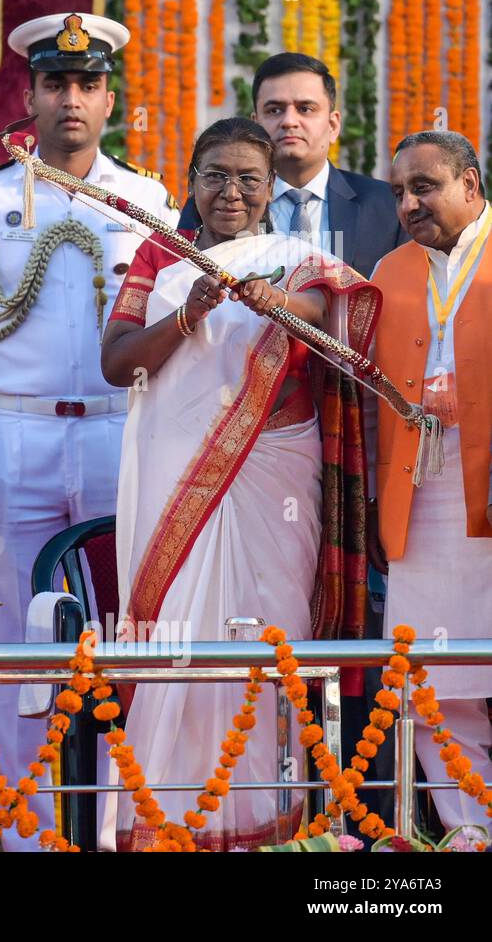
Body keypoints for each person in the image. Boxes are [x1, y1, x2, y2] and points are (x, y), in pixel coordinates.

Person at [0, 12, 177, 850]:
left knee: (125, 644)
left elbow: (171, 330)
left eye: (88, 83)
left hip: (120, 435)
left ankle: (114, 833)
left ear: (109, 98)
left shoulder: (145, 200)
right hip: (18, 440)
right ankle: (29, 838)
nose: (71, 98)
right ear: (30, 94)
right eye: (55, 83)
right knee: (19, 651)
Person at [102, 118, 378, 850]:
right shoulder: (160, 255)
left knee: (270, 635)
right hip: (178, 476)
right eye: (215, 175)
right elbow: (117, 361)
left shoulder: (293, 257)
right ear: (190, 181)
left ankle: (274, 826)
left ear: (270, 189)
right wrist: (188, 315)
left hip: (275, 470)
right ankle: (167, 822)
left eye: (249, 179)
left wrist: (271, 301)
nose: (231, 192)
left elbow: (331, 316)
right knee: (183, 642)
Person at [369, 130, 492, 833]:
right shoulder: (391, 270)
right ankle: (473, 835)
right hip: (426, 502)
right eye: (397, 192)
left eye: (424, 187)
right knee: (434, 689)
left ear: (470, 186)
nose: (409, 203)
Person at [178, 52, 406, 277]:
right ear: (255, 125)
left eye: (305, 108)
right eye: (274, 110)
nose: (289, 121)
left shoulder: (386, 206)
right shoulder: (214, 202)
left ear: (333, 125)